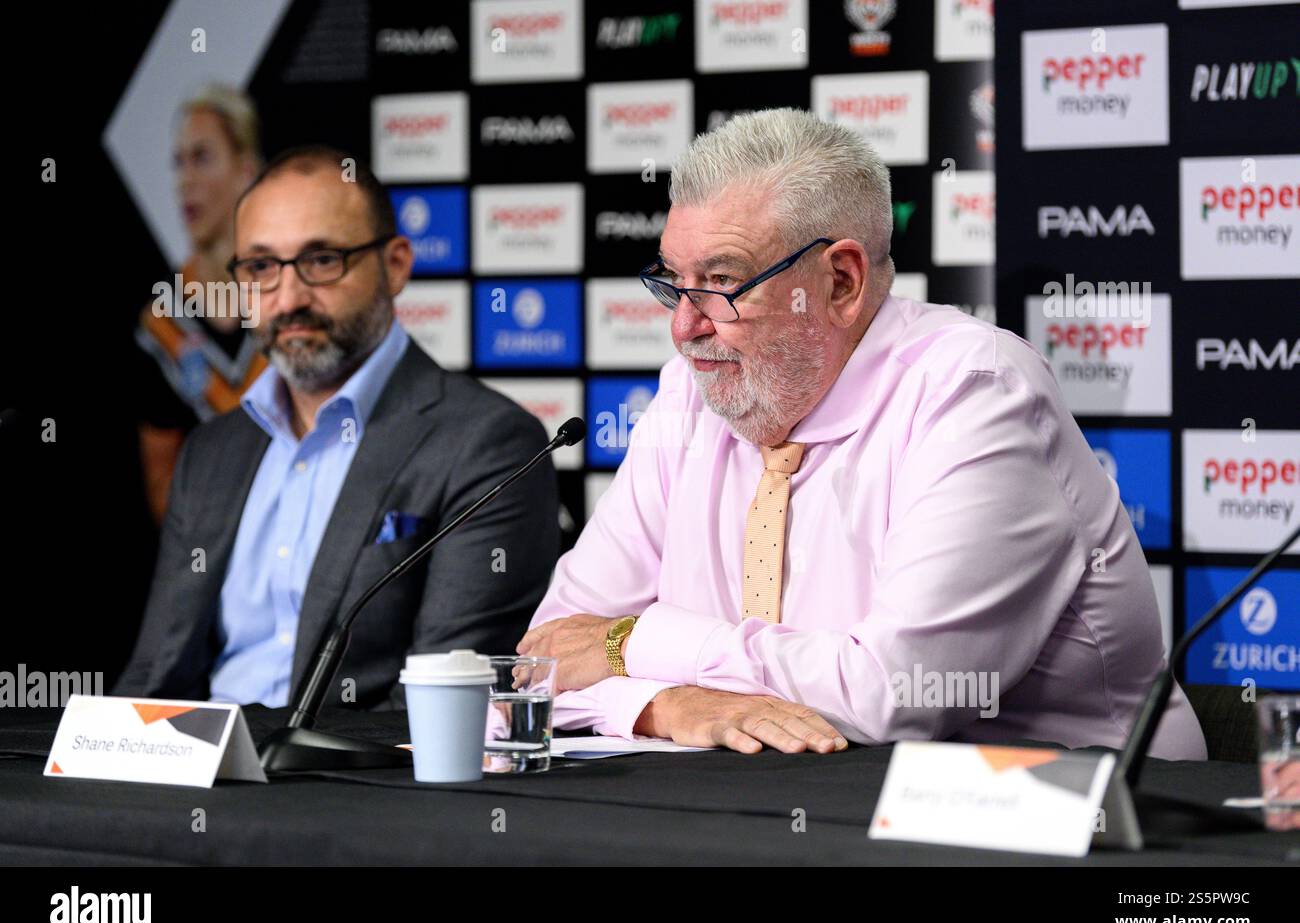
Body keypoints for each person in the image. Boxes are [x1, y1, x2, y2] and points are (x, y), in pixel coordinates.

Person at [517, 109, 1206, 760]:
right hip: (795, 805)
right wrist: (665, 705)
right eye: (676, 283)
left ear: (840, 281)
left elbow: (894, 693)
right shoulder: (688, 397)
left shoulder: (974, 391)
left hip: (1074, 816)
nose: (684, 327)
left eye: (721, 283)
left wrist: (632, 643)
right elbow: (540, 661)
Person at [115, 146, 559, 709]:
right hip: (196, 778)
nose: (289, 297)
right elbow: (153, 675)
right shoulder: (211, 451)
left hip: (356, 789)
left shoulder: (488, 444)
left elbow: (445, 711)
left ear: (395, 265)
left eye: (322, 260)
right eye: (260, 267)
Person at [136, 85, 266, 525]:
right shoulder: (161, 323)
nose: (185, 181)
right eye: (178, 163)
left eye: (202, 158)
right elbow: (161, 482)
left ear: (245, 170)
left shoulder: (288, 303)